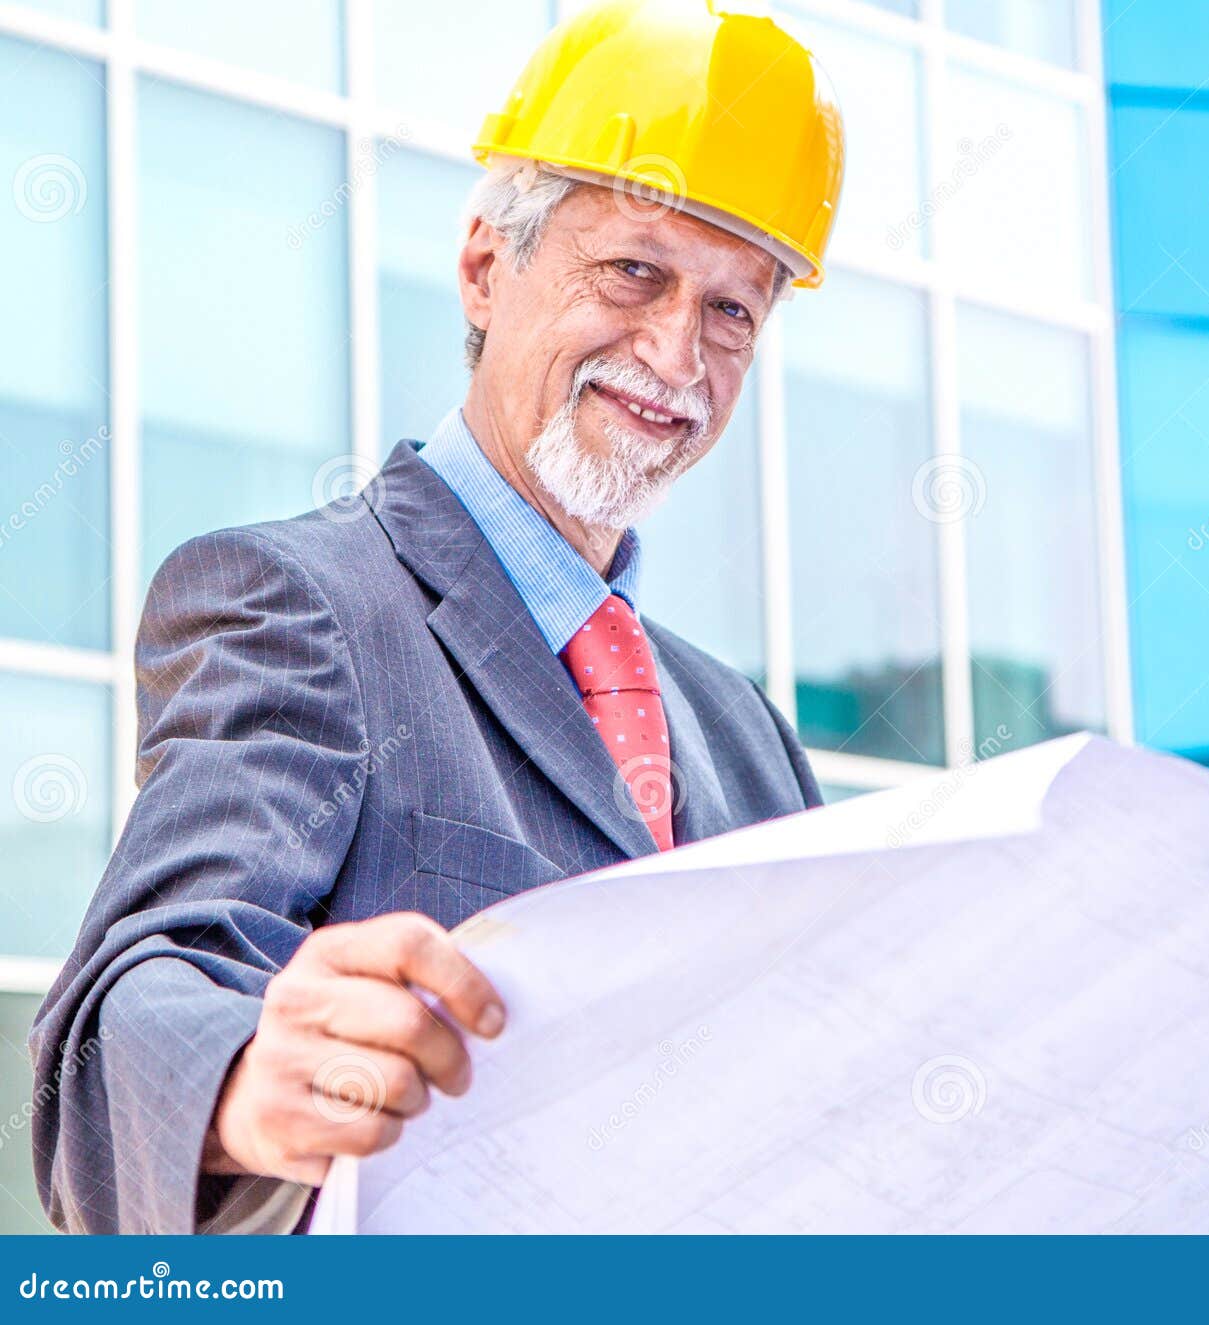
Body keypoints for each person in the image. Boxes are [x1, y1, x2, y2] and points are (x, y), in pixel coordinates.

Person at [29, 0, 845, 1234]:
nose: (679, 353)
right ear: (484, 265)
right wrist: (248, 1079)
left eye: (734, 309)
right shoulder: (301, 603)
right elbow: (137, 1002)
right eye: (634, 269)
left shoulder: (749, 738)